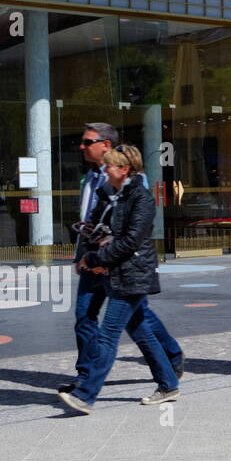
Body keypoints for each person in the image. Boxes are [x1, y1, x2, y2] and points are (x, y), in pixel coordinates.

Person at [58, 145, 181, 414]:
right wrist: (89, 251)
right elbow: (93, 228)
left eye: (110, 165)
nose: (105, 169)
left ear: (124, 169)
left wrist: (97, 259)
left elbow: (129, 242)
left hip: (133, 274)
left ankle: (85, 395)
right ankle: (169, 383)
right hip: (113, 271)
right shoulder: (109, 194)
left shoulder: (141, 198)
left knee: (108, 334)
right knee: (141, 331)